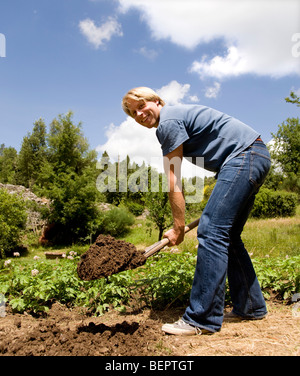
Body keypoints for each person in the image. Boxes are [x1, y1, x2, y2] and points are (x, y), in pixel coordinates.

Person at [122, 87, 271, 336]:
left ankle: (201, 319)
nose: (138, 114)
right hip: (253, 155)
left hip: (244, 156)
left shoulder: (167, 123)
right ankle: (251, 307)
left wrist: (178, 227)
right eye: (133, 112)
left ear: (157, 101)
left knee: (211, 231)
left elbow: (173, 179)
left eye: (141, 105)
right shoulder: (175, 118)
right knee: (229, 235)